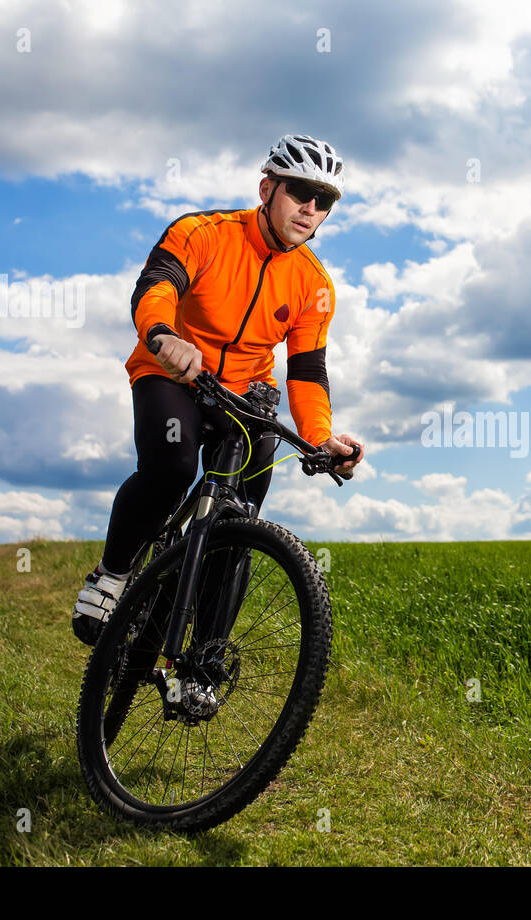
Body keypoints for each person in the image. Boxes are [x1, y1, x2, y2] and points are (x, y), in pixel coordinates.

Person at [72, 133, 365, 645]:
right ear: (266, 188)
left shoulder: (314, 284)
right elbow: (157, 284)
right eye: (300, 192)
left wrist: (322, 438)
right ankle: (114, 574)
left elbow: (306, 374)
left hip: (246, 397)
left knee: (239, 520)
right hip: (173, 373)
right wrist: (163, 336)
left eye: (326, 201)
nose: (311, 208)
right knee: (172, 468)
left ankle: (205, 658)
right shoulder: (204, 232)